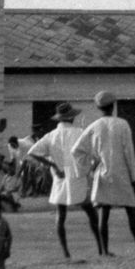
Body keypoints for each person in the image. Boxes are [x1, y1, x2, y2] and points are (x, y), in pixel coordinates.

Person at [74, 90, 135, 257]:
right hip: (122, 172)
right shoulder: (122, 124)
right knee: (131, 212)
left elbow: (76, 150)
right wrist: (134, 177)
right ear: (113, 106)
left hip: (103, 173)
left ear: (98, 108)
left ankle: (105, 251)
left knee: (104, 212)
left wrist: (88, 168)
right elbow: (129, 152)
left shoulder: (94, 126)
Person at [27, 102, 103, 260]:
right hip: (77, 176)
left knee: (61, 216)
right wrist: (90, 166)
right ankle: (101, 248)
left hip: (60, 176)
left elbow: (32, 152)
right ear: (72, 117)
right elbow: (95, 153)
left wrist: (52, 165)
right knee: (91, 213)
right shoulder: (80, 132)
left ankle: (66, 252)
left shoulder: (51, 135)